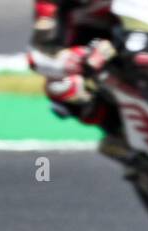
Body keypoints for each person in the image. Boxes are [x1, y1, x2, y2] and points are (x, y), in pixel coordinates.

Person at [26, 0, 128, 158]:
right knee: (62, 86)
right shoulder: (49, 7)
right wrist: (79, 58)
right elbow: (37, 56)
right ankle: (118, 132)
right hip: (98, 50)